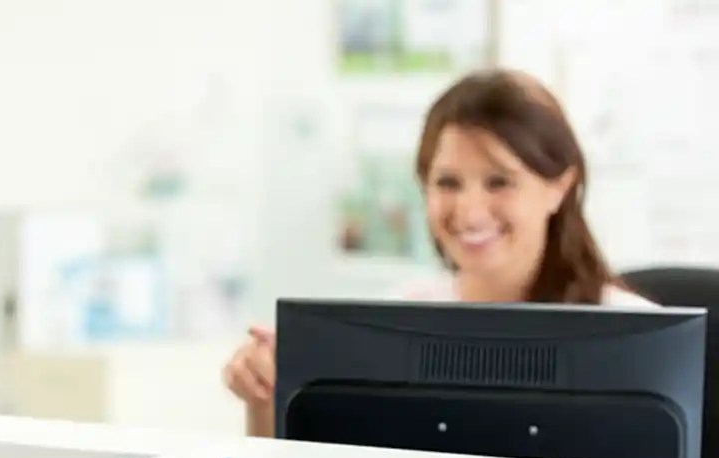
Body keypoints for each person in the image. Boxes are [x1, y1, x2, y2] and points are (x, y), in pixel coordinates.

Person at [224, 69, 654, 438]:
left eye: (499, 182)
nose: (468, 212)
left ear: (559, 186)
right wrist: (265, 398)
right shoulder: (386, 327)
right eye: (447, 183)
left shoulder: (638, 337)